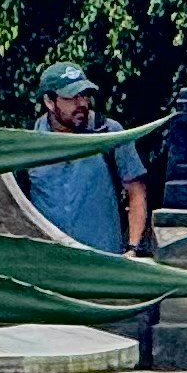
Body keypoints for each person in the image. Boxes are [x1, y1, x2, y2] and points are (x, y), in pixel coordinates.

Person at [17, 63, 153, 254]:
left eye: (84, 95)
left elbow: (136, 191)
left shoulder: (108, 133)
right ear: (49, 101)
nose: (81, 103)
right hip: (48, 265)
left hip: (102, 264)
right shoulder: (28, 142)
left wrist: (132, 248)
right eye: (72, 97)